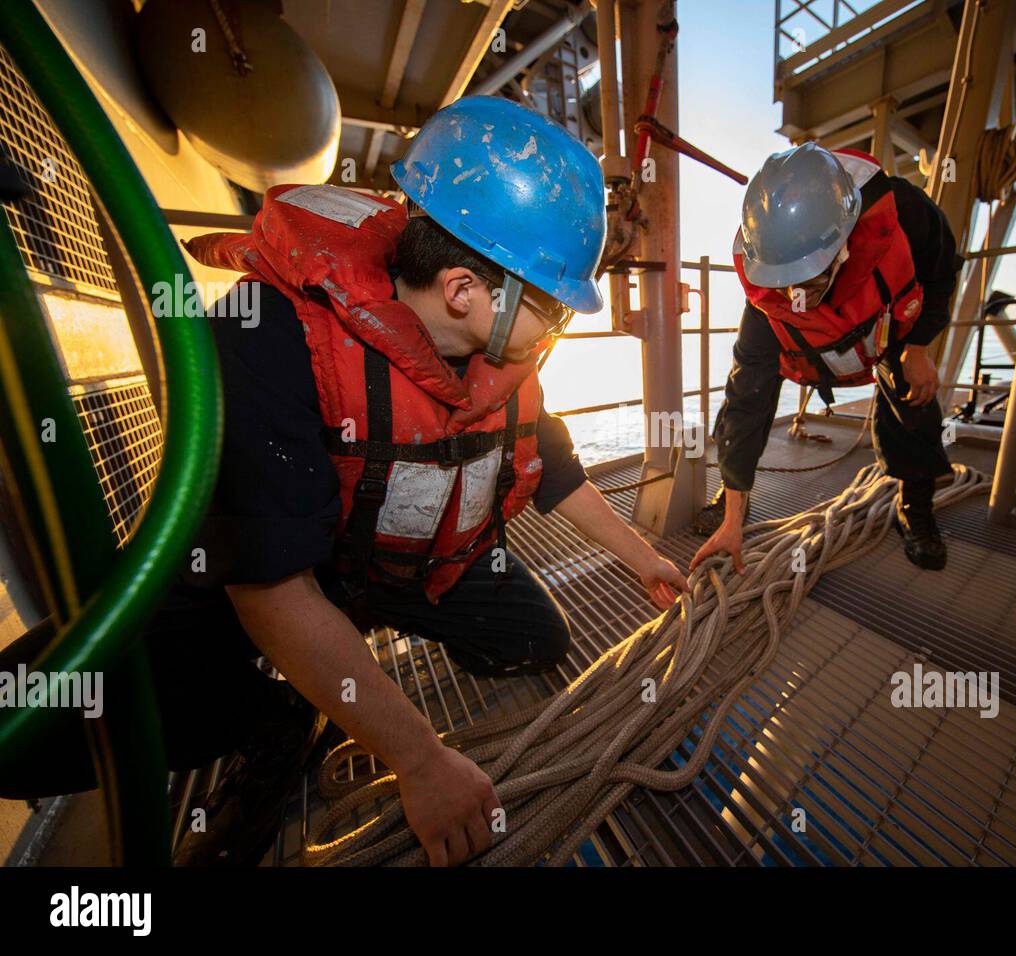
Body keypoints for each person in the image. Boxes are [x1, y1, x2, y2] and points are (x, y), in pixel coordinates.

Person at [0, 96, 686, 867]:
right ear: (465, 291)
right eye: (554, 307)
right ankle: (280, 709)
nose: (558, 327)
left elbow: (555, 471)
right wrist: (422, 762)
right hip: (283, 585)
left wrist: (643, 559)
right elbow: (270, 589)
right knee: (23, 730)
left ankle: (339, 657)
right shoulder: (267, 335)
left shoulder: (493, 359)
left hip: (401, 571)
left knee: (534, 637)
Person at [691, 143, 962, 575]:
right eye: (780, 281)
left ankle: (916, 505)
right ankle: (733, 499)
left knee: (915, 401)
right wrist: (732, 518)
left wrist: (919, 347)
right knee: (745, 393)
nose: (792, 295)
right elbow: (748, 401)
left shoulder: (906, 214)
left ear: (844, 238)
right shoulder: (767, 309)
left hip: (886, 329)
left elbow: (942, 271)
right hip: (808, 354)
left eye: (807, 279)